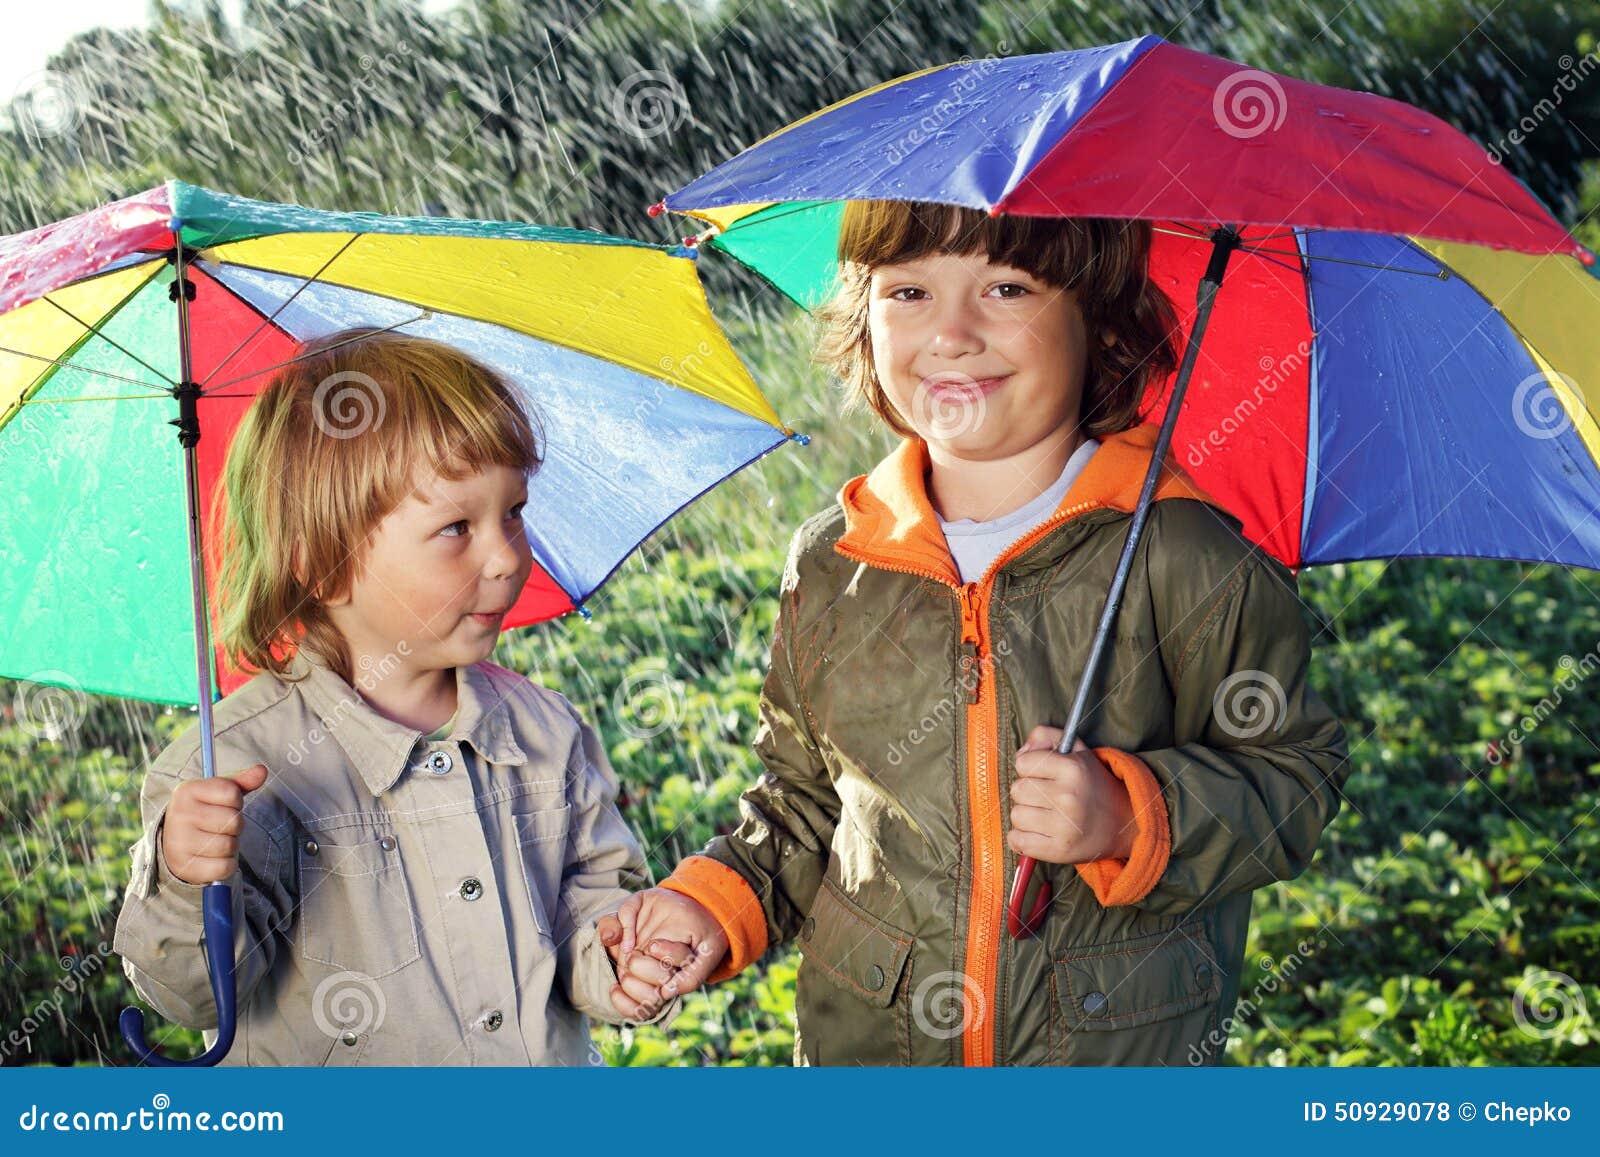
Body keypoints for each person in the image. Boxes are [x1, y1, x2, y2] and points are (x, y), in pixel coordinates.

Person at [602, 201, 1350, 1066]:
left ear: (1103, 327)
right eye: (909, 290)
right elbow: (804, 801)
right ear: (861, 317)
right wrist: (716, 902)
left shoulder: (1180, 556)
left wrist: (1128, 816)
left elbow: (1294, 776)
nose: (951, 333)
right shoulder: (835, 562)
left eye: (1006, 287)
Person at [113, 328, 681, 1066]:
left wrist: (620, 955)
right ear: (324, 562)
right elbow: (193, 993)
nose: (507, 556)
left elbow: (591, 901)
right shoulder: (236, 770)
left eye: (513, 510)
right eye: (456, 527)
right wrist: (188, 878)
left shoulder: (545, 732)